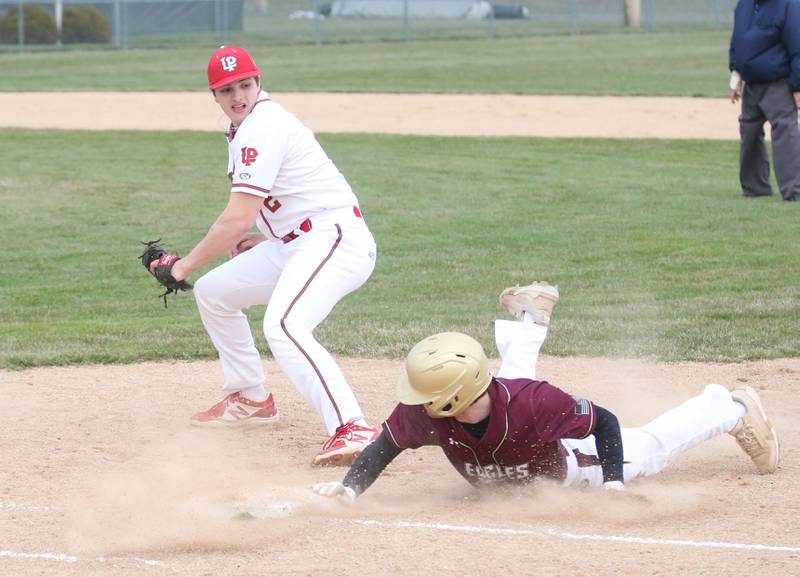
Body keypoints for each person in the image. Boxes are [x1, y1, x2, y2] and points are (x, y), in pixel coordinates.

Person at [313, 282, 781, 503]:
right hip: (515, 418)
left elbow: (605, 422)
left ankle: (729, 406)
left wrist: (615, 485)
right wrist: (350, 490)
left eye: (425, 392)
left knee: (653, 450)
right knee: (514, 396)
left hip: (576, 463)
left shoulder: (536, 403)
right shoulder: (430, 412)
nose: (414, 400)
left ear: (452, 395)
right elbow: (383, 447)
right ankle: (531, 319)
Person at [151, 46, 379, 466]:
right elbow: (276, 201)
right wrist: (269, 236)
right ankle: (251, 397)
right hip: (297, 241)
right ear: (214, 95)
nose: (238, 95)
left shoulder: (263, 126)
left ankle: (353, 426)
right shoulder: (245, 128)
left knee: (285, 324)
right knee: (216, 292)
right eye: (226, 89)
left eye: (245, 84)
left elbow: (235, 219)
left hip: (336, 239)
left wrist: (180, 267)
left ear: (258, 82)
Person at [729, 0, 800, 201]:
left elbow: (798, 46)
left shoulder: (789, 5)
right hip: (752, 83)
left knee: (785, 131)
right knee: (749, 130)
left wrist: (798, 86)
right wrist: (735, 75)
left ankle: (794, 190)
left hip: (778, 81)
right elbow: (737, 41)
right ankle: (755, 187)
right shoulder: (744, 5)